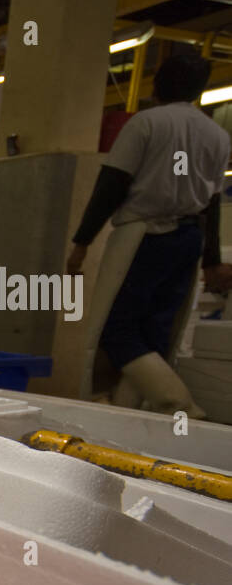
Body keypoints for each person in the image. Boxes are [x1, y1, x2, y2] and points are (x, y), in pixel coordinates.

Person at [68, 50, 231, 418]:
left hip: (145, 237)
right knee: (156, 330)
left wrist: (82, 243)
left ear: (158, 83)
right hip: (190, 238)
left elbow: (112, 184)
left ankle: (180, 402)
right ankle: (128, 415)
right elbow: (212, 203)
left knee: (116, 329)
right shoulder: (218, 136)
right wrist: (212, 260)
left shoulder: (146, 123)